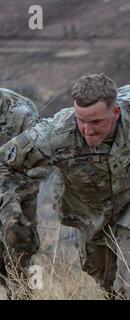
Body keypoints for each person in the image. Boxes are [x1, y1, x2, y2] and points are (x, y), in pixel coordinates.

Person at [0, 74, 130, 299]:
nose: (87, 130)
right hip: (91, 216)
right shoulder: (54, 134)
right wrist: (9, 208)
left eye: (96, 122)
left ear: (115, 112)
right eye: (81, 120)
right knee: (106, 282)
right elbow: (6, 163)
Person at [0, 88, 40, 298]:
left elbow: (39, 163)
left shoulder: (21, 114)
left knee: (18, 239)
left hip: (20, 181)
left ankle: (24, 293)